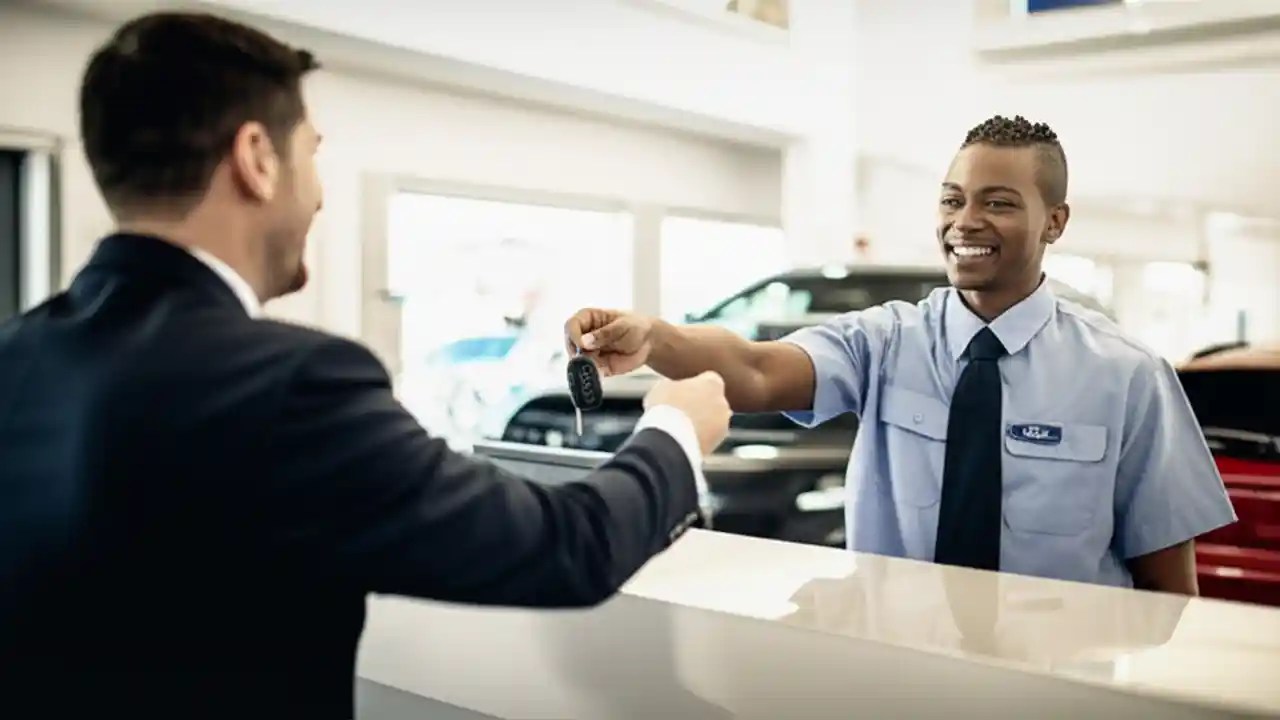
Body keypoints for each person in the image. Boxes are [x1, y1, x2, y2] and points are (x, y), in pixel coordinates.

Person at [0, 12, 731, 719]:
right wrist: (674, 427)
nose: (318, 194)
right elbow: (567, 547)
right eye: (312, 153)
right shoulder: (293, 384)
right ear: (257, 159)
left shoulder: (18, 354)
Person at [566, 114, 1237, 595]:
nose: (964, 221)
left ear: (1054, 222)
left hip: (1057, 690)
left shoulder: (1128, 376)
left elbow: (1167, 586)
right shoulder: (883, 343)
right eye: (952, 200)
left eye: (997, 203)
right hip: (895, 671)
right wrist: (656, 337)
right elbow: (756, 368)